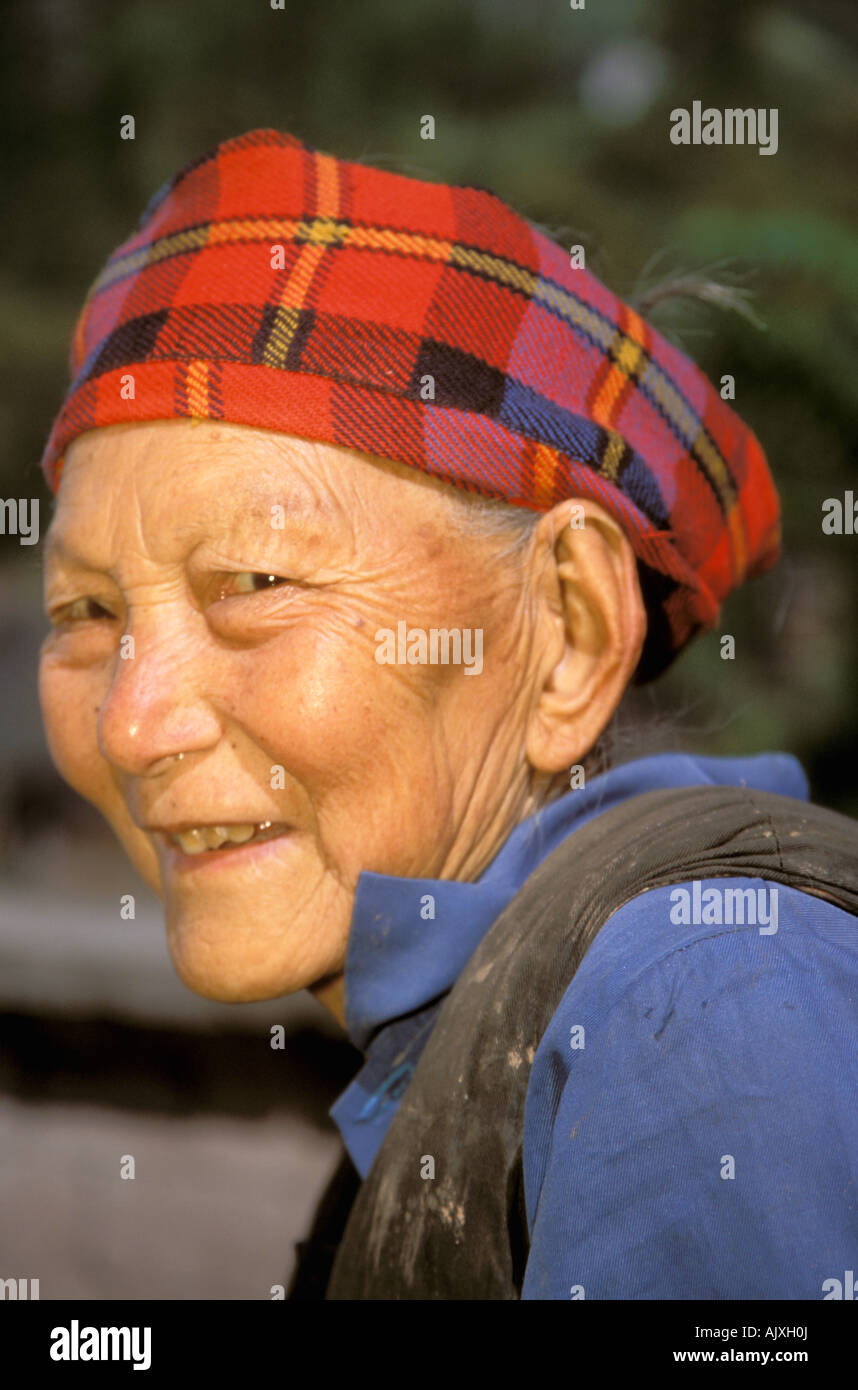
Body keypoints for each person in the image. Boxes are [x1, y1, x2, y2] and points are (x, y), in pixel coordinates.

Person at [38, 128, 857, 1300]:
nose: (130, 723)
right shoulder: (489, 1041)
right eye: (85, 608)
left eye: (257, 585)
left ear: (568, 631)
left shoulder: (702, 1006)